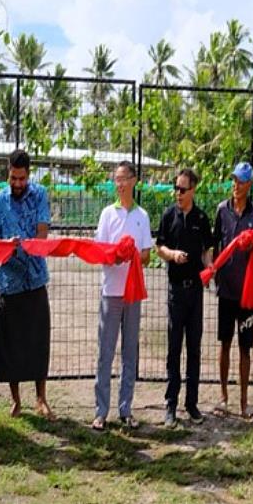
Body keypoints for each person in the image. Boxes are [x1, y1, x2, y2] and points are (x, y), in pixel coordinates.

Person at [0, 148, 53, 419]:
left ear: (29, 175)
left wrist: (27, 242)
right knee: (11, 342)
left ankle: (41, 398)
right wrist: (4, 245)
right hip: (8, 282)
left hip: (35, 279)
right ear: (8, 173)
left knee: (38, 340)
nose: (17, 183)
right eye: (13, 178)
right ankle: (15, 400)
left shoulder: (40, 195)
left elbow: (43, 232)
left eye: (22, 178)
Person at [91, 161, 152, 431]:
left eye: (124, 178)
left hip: (133, 294)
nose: (119, 184)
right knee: (105, 352)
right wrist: (117, 254)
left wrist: (133, 256)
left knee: (130, 352)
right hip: (111, 291)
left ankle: (125, 408)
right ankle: (100, 411)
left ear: (134, 180)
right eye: (116, 179)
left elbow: (148, 256)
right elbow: (99, 252)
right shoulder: (107, 214)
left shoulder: (142, 216)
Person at [156, 167, 214, 427]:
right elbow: (160, 247)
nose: (177, 193)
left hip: (196, 292)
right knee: (174, 347)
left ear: (193, 190)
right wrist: (172, 255)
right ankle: (171, 404)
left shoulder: (202, 218)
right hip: (176, 290)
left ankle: (192, 404)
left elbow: (207, 249)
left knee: (194, 347)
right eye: (176, 189)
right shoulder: (170, 215)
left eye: (182, 189)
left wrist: (210, 267)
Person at [211, 161, 253, 422]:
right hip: (226, 289)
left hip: (247, 294)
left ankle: (243, 401)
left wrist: (251, 243)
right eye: (234, 180)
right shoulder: (222, 210)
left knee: (245, 347)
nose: (236, 186)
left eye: (241, 181)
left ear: (249, 184)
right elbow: (215, 245)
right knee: (225, 343)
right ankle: (223, 397)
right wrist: (212, 271)